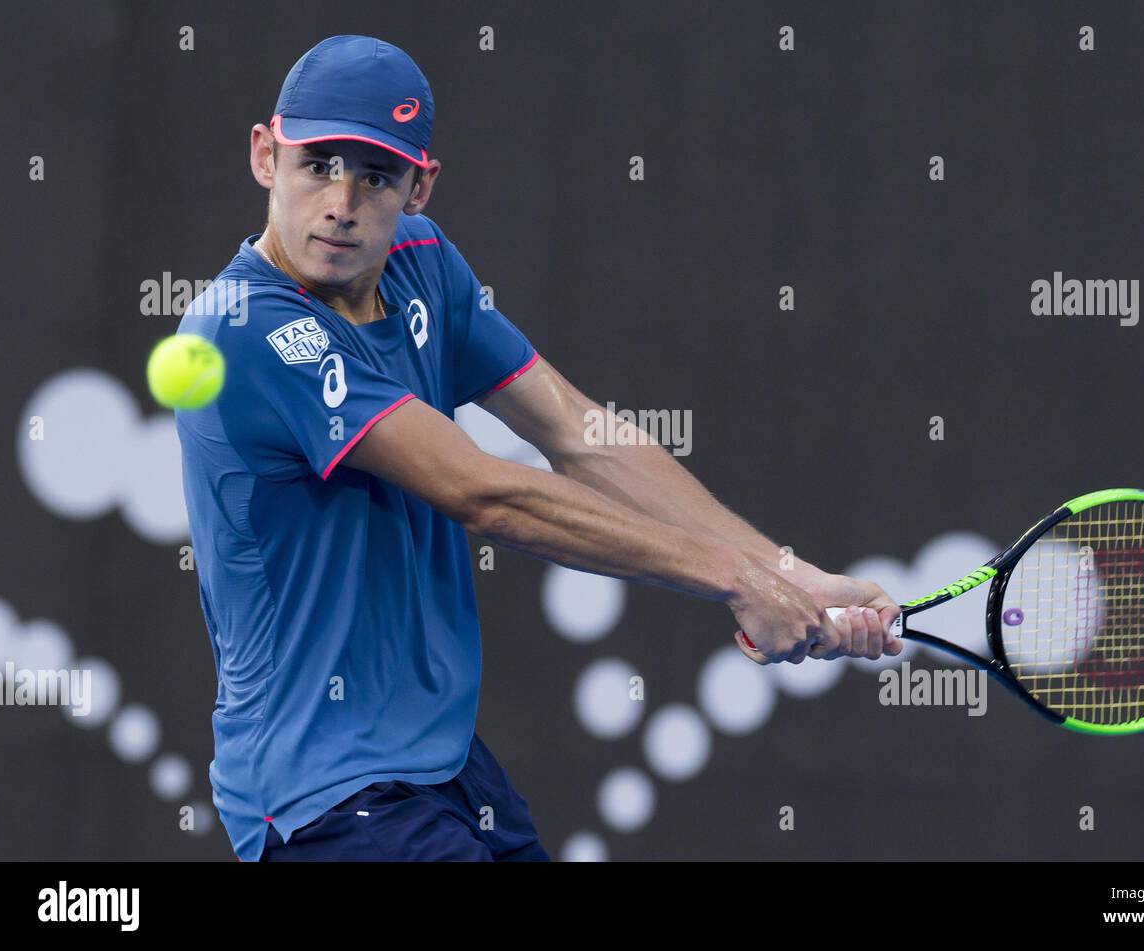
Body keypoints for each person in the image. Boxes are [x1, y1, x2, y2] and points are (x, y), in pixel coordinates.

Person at [176, 34, 901, 863]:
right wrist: (736, 578)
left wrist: (789, 573)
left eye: (375, 176)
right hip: (320, 793)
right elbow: (486, 495)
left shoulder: (422, 262)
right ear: (265, 156)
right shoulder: (246, 330)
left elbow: (578, 433)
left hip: (444, 764)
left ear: (419, 186)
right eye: (318, 165)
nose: (341, 202)